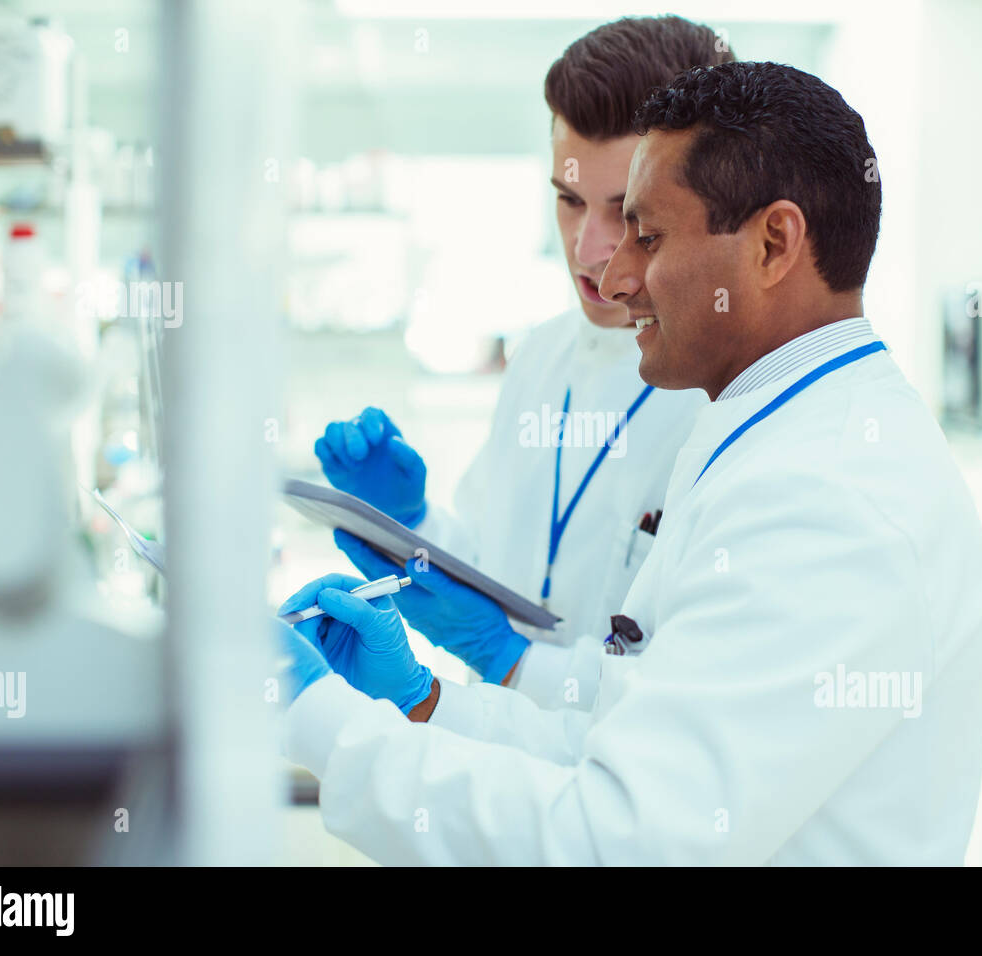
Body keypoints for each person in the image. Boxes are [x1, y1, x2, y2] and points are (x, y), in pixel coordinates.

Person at [276, 61, 982, 865]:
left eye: (645, 236)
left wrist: (314, 717)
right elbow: (619, 732)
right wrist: (423, 700)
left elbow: (621, 841)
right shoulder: (766, 429)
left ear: (773, 243)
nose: (616, 276)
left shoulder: (827, 496)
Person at [313, 17, 731, 698]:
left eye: (627, 213)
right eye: (569, 202)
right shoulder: (542, 355)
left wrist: (507, 657)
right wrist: (411, 522)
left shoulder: (726, 398)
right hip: (502, 774)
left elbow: (693, 712)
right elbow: (496, 571)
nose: (589, 248)